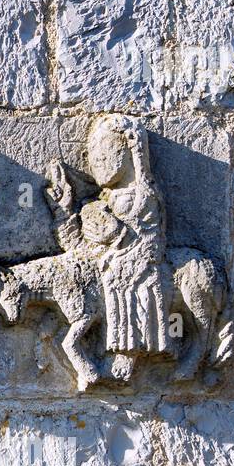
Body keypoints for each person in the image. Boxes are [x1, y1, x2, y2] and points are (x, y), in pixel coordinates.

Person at [80, 114, 172, 379]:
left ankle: (130, 350)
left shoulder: (143, 193)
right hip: (118, 253)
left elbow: (137, 232)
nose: (98, 164)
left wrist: (112, 230)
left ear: (127, 151)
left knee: (121, 281)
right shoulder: (111, 195)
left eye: (105, 154)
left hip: (141, 255)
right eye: (94, 158)